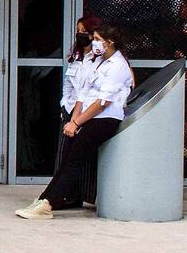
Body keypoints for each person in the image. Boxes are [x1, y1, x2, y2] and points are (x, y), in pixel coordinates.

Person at [16, 22, 134, 219]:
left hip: (104, 119)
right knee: (67, 159)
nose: (93, 43)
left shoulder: (118, 66)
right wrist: (74, 120)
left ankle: (49, 203)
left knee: (75, 160)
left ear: (110, 42)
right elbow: (83, 94)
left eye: (97, 39)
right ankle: (44, 199)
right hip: (86, 117)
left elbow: (102, 102)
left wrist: (77, 123)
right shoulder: (99, 62)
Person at [57, 15, 102, 204]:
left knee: (81, 157)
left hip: (87, 112)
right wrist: (63, 103)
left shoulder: (99, 59)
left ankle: (81, 195)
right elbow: (68, 83)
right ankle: (66, 195)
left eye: (85, 31)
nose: (80, 34)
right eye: (78, 31)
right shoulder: (75, 56)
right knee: (64, 155)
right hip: (70, 109)